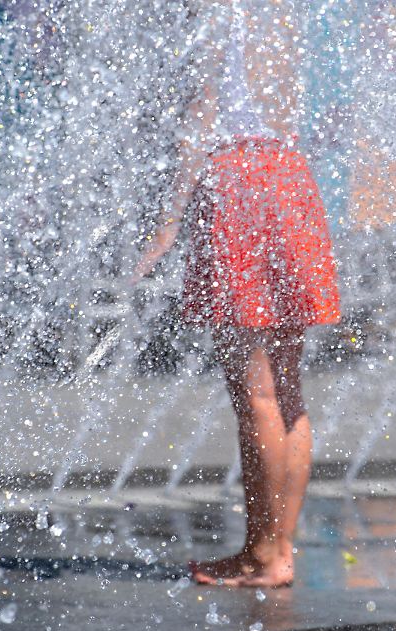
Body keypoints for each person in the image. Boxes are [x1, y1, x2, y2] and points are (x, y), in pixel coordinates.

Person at [130, 0, 340, 588]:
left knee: (256, 391)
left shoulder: (225, 12)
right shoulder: (289, 13)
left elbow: (204, 113)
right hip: (291, 179)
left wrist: (169, 217)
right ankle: (278, 549)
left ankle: (263, 555)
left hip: (239, 187)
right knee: (286, 386)